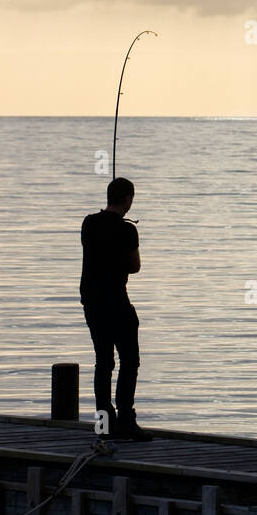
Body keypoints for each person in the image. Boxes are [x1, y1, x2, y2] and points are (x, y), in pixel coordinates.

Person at [80, 177, 152, 441]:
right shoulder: (127, 231)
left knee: (104, 362)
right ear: (127, 199)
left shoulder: (88, 223)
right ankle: (127, 422)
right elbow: (135, 266)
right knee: (129, 361)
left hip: (92, 303)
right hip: (117, 303)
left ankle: (104, 424)